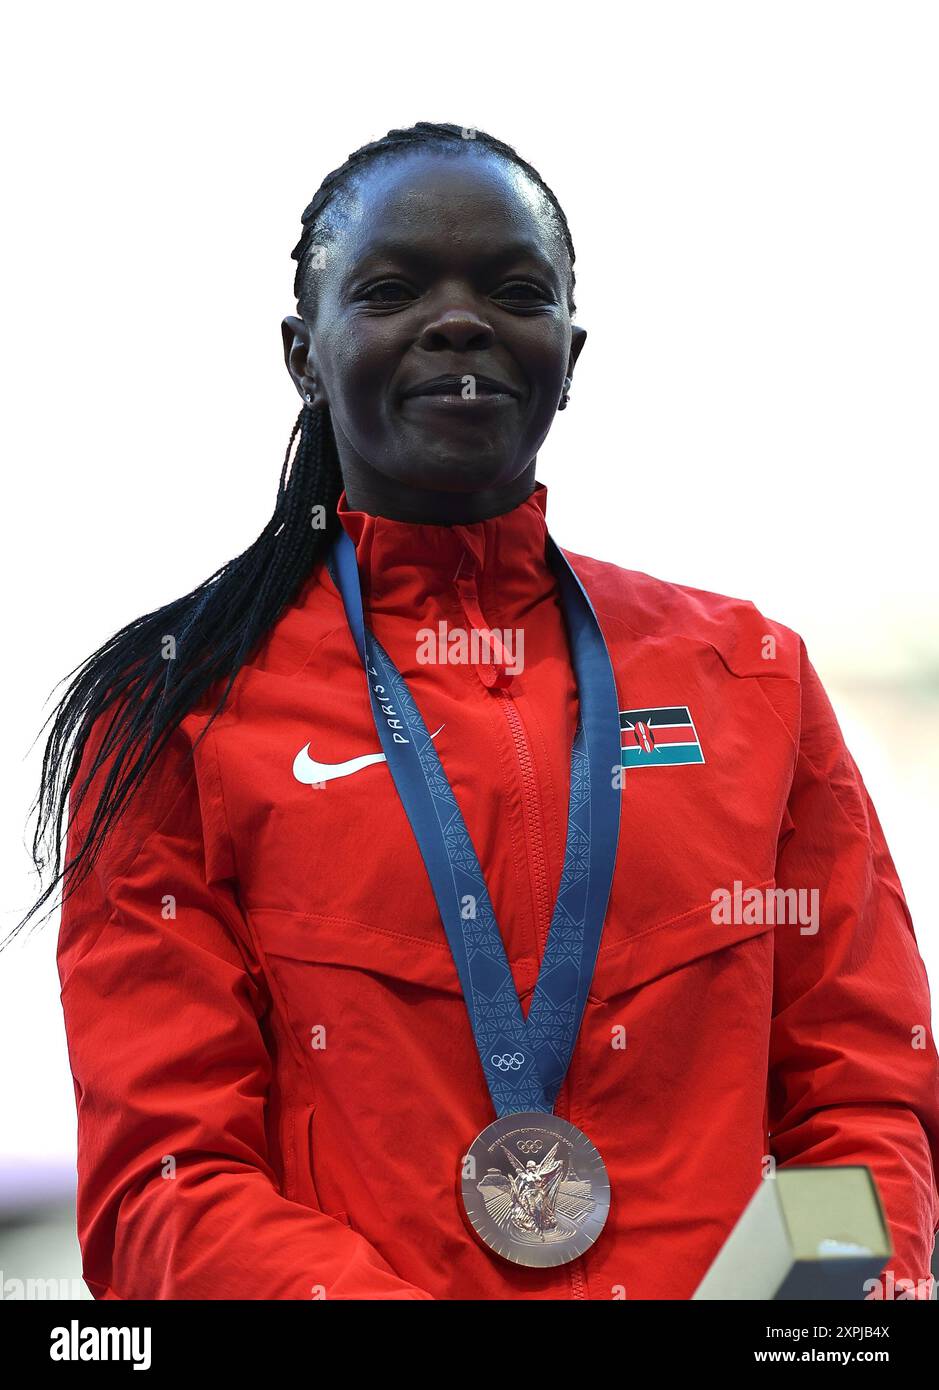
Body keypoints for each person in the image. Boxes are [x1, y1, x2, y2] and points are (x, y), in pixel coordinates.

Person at [23, 121, 939, 1300]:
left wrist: (790, 1330)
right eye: (396, 290)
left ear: (572, 347)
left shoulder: (750, 675)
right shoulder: (172, 713)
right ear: (304, 356)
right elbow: (169, 1175)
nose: (460, 322)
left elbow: (859, 1091)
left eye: (514, 289)